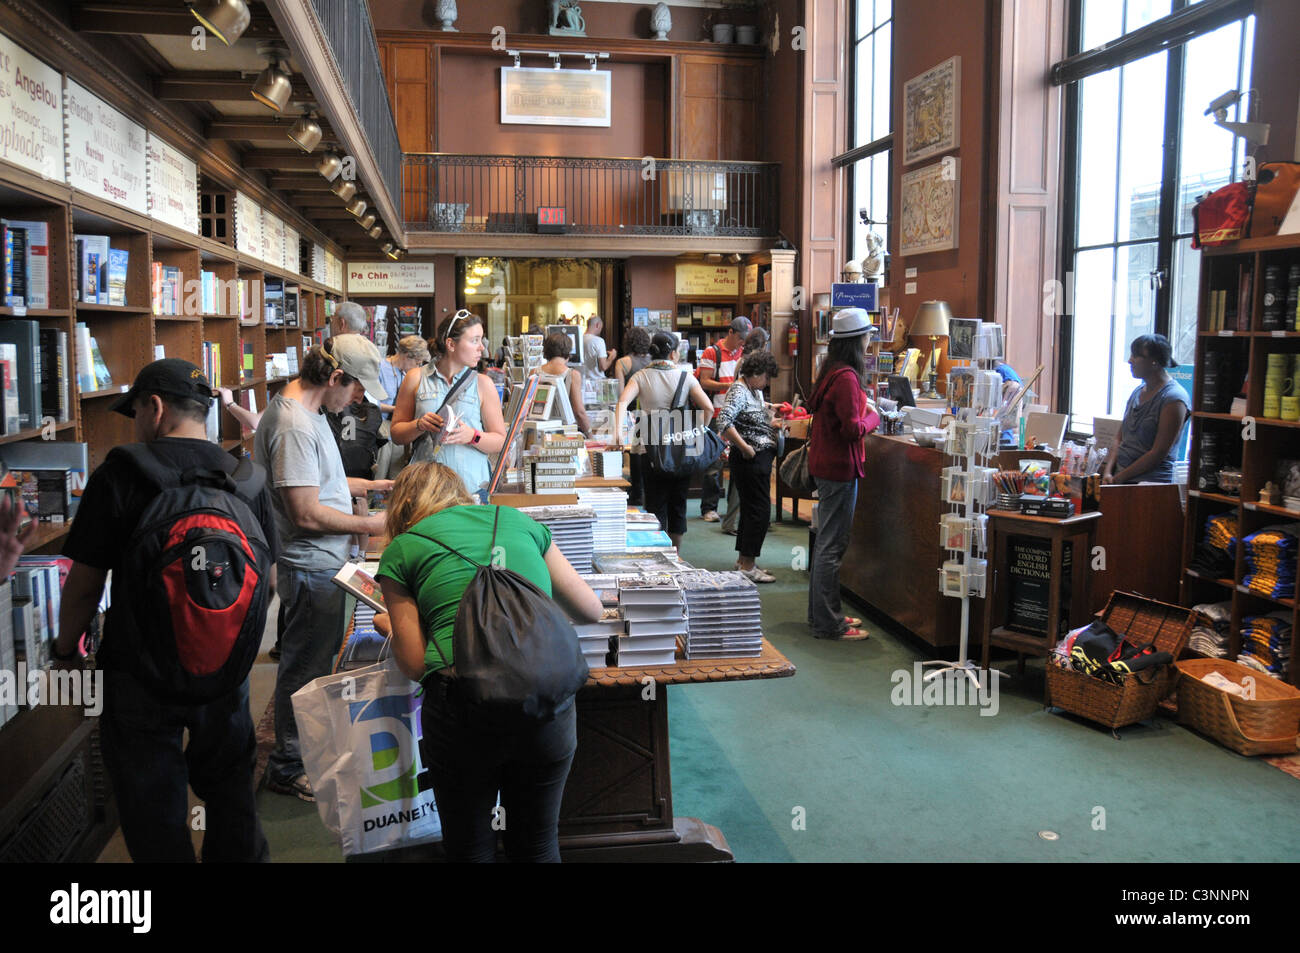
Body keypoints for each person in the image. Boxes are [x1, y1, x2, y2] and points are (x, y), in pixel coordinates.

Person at [53, 358, 279, 861]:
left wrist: (66, 650)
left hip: (139, 674)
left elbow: (85, 583)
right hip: (224, 669)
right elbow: (268, 576)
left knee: (151, 803)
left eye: (134, 410)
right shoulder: (248, 477)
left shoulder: (120, 473)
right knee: (231, 794)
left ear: (154, 408)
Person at [375, 462, 603, 862]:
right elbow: (591, 610)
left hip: (461, 706)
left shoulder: (402, 549)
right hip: (545, 699)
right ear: (459, 493)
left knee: (470, 846)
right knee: (537, 843)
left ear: (403, 507)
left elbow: (413, 664)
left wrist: (391, 626)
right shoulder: (518, 521)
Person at [256, 338, 392, 801]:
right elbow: (306, 512)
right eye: (355, 390)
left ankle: (300, 754)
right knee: (305, 670)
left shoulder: (309, 415)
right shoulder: (294, 424)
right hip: (312, 567)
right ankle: (287, 765)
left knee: (314, 663)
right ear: (335, 378)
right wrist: (371, 523)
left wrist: (374, 483)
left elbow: (323, 482)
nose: (357, 401)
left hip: (326, 565)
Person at [807, 309, 879, 642]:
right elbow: (852, 429)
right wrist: (873, 417)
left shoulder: (831, 372)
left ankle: (824, 614)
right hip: (840, 468)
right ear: (857, 341)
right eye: (867, 337)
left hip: (826, 465)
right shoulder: (848, 377)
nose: (869, 342)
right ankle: (828, 623)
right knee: (832, 547)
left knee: (826, 544)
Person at [390, 309, 507, 501]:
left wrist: (472, 436)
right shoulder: (415, 378)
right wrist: (418, 425)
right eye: (474, 340)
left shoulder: (483, 384)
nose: (482, 349)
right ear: (451, 344)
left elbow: (500, 441)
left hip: (471, 490)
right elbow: (396, 434)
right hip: (425, 491)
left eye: (482, 340)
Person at [616, 332, 714, 549]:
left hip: (649, 449)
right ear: (673, 352)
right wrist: (699, 431)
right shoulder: (685, 377)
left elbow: (622, 402)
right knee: (678, 504)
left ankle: (658, 553)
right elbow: (708, 408)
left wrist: (617, 435)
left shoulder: (641, 376)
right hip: (681, 447)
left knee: (654, 503)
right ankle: (676, 553)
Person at [716, 349, 781, 583]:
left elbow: (753, 419)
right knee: (759, 513)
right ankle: (747, 565)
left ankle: (745, 561)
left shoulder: (752, 390)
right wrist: (744, 447)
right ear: (757, 373)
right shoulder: (740, 389)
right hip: (750, 459)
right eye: (766, 378)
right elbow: (723, 421)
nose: (766, 383)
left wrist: (772, 417)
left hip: (756, 458)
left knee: (752, 511)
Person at [1102, 333, 1191, 485]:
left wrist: (1118, 478)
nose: (1130, 360)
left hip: (1149, 485)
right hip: (1119, 480)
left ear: (1154, 362)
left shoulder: (1173, 398)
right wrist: (1108, 471)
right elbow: (1119, 438)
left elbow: (1158, 454)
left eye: (1136, 356)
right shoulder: (1138, 391)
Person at [696, 316, 752, 521]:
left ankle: (732, 510)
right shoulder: (712, 352)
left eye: (745, 338)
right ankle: (709, 508)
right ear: (730, 332)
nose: (742, 342)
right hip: (714, 414)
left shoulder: (744, 353)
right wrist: (729, 386)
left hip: (736, 414)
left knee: (736, 461)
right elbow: (704, 382)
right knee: (713, 463)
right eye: (740, 337)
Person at [614, 327, 653, 507]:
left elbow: (620, 394)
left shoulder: (622, 363)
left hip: (630, 412)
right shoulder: (653, 361)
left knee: (635, 452)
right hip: (651, 411)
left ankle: (637, 491)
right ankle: (647, 490)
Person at [537, 331, 592, 436]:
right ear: (568, 351)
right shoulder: (572, 375)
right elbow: (579, 412)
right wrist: (589, 433)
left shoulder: (534, 373)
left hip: (539, 432)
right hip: (564, 434)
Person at [580, 315, 617, 385]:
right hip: (596, 383)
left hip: (582, 382)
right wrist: (612, 356)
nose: (600, 330)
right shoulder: (598, 341)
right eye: (601, 328)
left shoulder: (578, 339)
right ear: (597, 325)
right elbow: (603, 366)